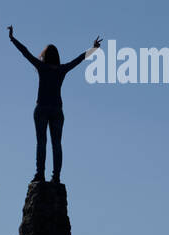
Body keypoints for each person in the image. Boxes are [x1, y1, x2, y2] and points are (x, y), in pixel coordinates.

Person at [8, 27, 101, 182]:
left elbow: (25, 52)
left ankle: (40, 174)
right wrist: (94, 49)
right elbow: (79, 59)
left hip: (42, 108)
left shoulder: (42, 67)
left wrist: (12, 38)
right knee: (56, 144)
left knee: (41, 143)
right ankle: (56, 176)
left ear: (45, 56)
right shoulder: (61, 70)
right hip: (57, 110)